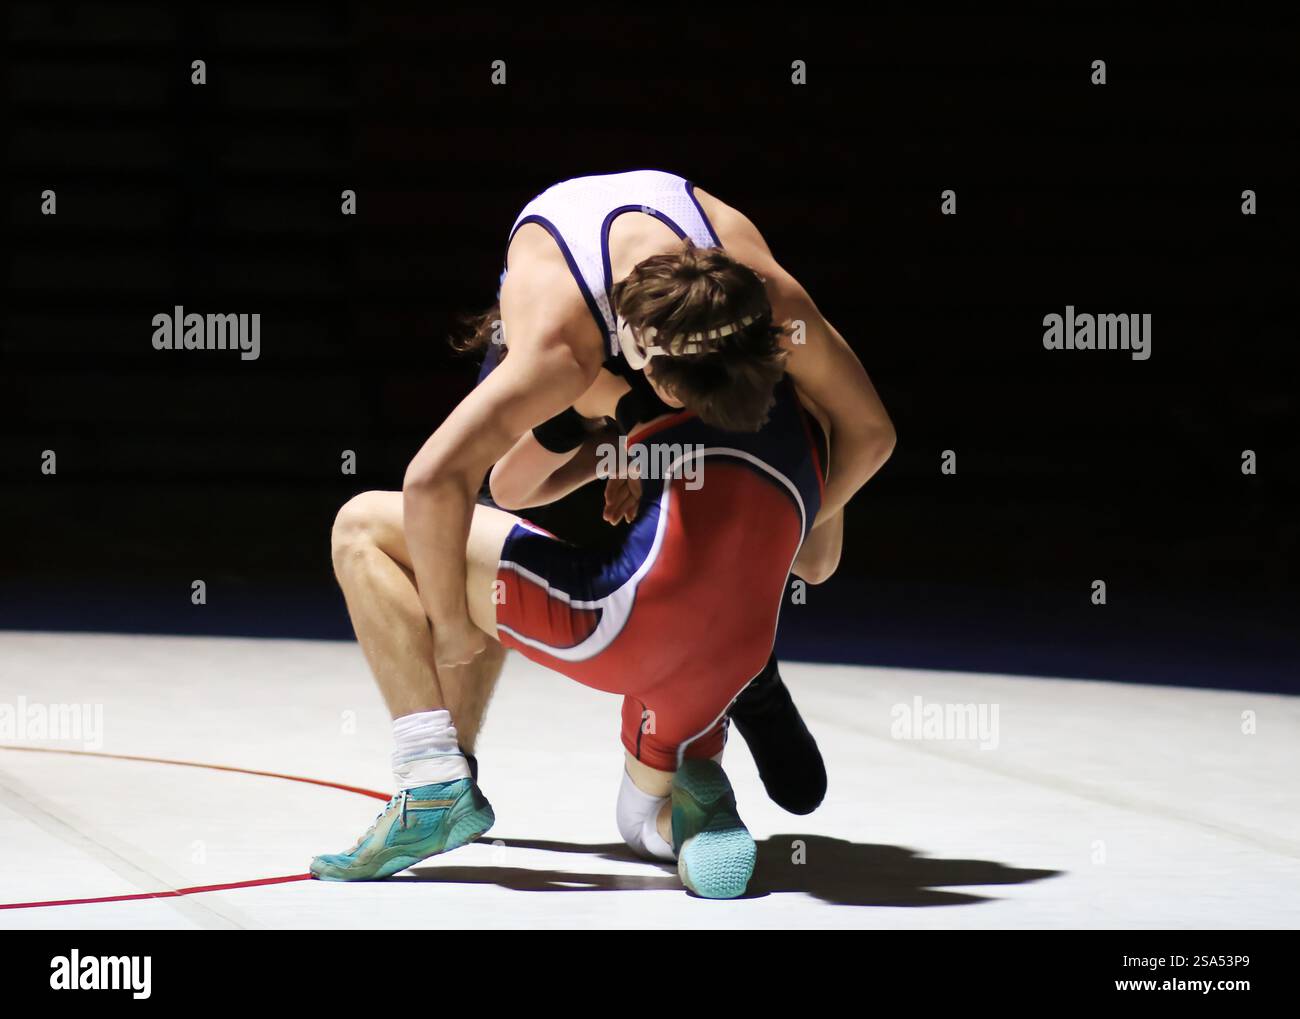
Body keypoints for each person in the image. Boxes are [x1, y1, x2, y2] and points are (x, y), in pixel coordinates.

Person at [313, 324, 836, 897]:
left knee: (363, 525)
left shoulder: (627, 394)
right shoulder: (809, 418)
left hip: (620, 629)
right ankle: (692, 803)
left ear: (652, 356)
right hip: (731, 658)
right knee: (643, 818)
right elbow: (816, 563)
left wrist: (614, 442)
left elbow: (503, 485)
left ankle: (430, 775)